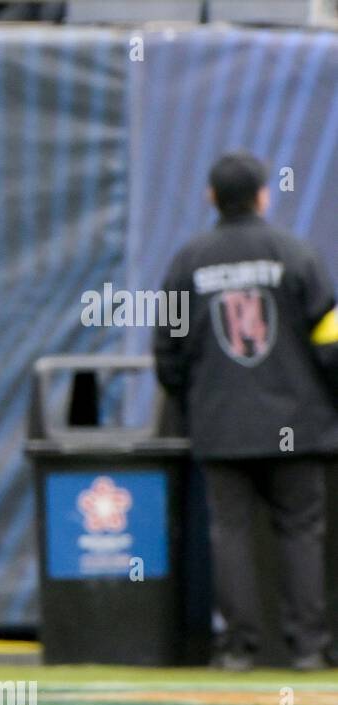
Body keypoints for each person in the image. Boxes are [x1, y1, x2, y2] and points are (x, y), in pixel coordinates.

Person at [155, 152, 338, 672]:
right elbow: (331, 342)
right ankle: (308, 648)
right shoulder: (297, 255)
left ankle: (238, 649)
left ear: (211, 197)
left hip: (222, 425)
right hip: (298, 426)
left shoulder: (188, 262)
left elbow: (165, 348)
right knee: (303, 532)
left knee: (229, 532)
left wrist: (195, 401)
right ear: (263, 194)